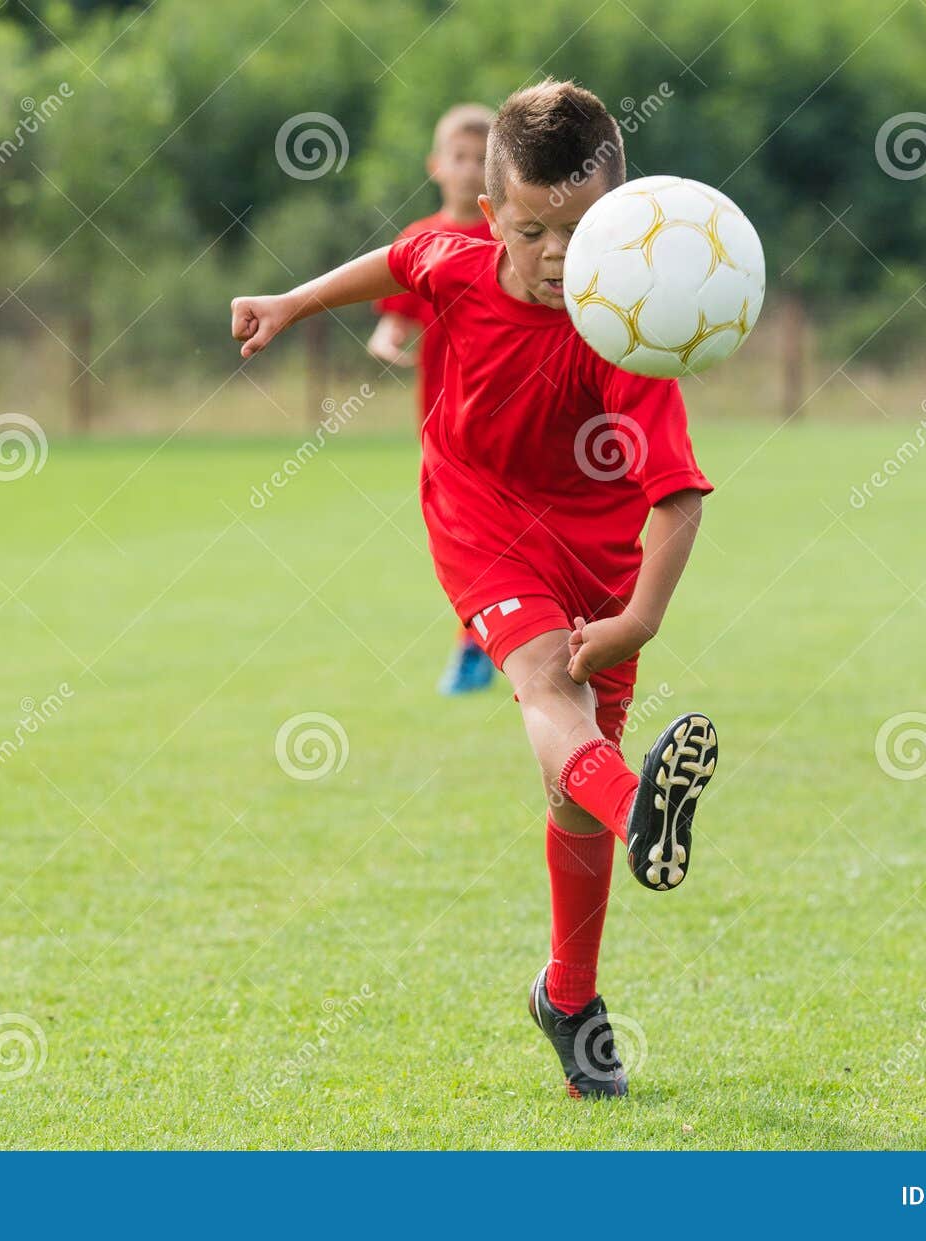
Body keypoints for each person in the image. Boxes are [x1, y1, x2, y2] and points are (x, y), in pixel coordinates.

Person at [232, 79, 719, 1100]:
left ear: (622, 219)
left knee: (568, 785)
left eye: (580, 230)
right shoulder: (452, 260)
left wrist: (638, 618)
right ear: (491, 215)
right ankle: (640, 808)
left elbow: (677, 497)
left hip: (603, 565)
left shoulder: (626, 333)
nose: (556, 253)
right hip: (480, 524)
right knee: (547, 685)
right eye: (533, 230)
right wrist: (291, 302)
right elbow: (398, 259)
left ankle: (568, 997)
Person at [366, 102, 499, 696]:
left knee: (505, 536)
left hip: (511, 416)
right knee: (465, 541)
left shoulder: (514, 237)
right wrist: (387, 342)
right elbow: (393, 321)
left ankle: (486, 643)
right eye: (459, 157)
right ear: (435, 165)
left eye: (480, 159)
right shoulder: (420, 241)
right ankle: (481, 641)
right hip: (446, 425)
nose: (468, 170)